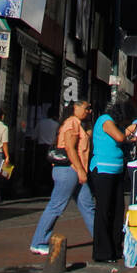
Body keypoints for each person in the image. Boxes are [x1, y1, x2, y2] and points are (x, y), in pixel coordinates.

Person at [29, 99, 94, 256]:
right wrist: (80, 170)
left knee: (88, 206)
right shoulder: (72, 123)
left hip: (74, 171)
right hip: (69, 171)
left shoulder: (78, 124)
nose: (89, 111)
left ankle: (101, 238)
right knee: (56, 206)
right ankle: (38, 242)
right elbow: (70, 149)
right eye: (87, 108)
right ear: (75, 108)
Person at [89, 98, 137, 264]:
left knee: (118, 210)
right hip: (103, 170)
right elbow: (118, 137)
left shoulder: (116, 124)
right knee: (104, 210)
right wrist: (130, 129)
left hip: (116, 170)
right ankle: (102, 252)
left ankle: (116, 248)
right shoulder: (105, 120)